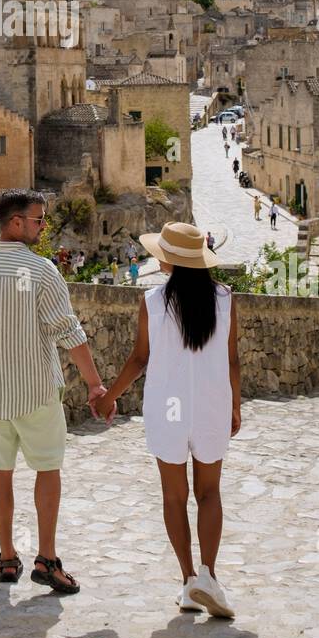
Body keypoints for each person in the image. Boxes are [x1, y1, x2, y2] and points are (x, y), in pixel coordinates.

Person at [0, 190, 109, 594]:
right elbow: (68, 332)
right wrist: (95, 384)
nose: (43, 227)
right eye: (39, 220)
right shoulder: (39, 271)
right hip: (33, 389)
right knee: (47, 469)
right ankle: (47, 559)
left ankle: (6, 558)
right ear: (16, 222)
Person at [94, 223, 240, 617]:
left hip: (168, 408)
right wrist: (235, 406)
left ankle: (190, 580)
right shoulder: (225, 298)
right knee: (209, 493)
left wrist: (110, 398)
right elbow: (232, 359)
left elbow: (139, 359)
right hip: (211, 404)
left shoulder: (154, 302)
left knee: (174, 496)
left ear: (171, 260)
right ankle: (209, 575)